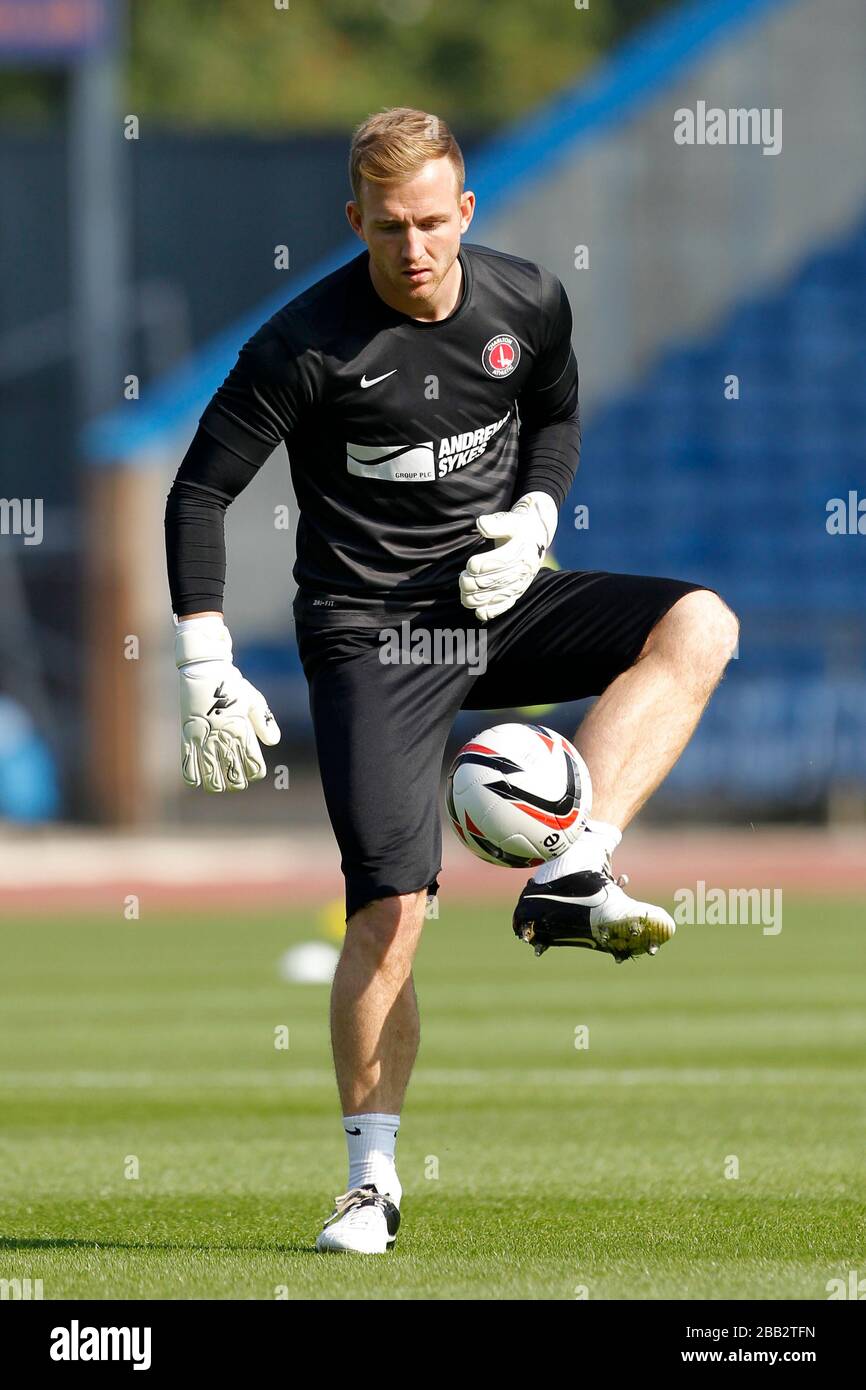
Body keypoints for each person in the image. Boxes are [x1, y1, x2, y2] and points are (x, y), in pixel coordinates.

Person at [164, 107, 739, 1255]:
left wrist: (534, 516)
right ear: (354, 221)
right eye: (388, 227)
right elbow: (198, 494)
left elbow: (556, 411)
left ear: (465, 212)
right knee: (387, 913)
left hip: (498, 596)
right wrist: (204, 660)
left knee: (698, 621)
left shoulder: (524, 301)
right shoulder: (305, 345)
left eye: (433, 222)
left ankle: (576, 866)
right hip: (370, 633)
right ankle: (370, 1185)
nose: (414, 247)